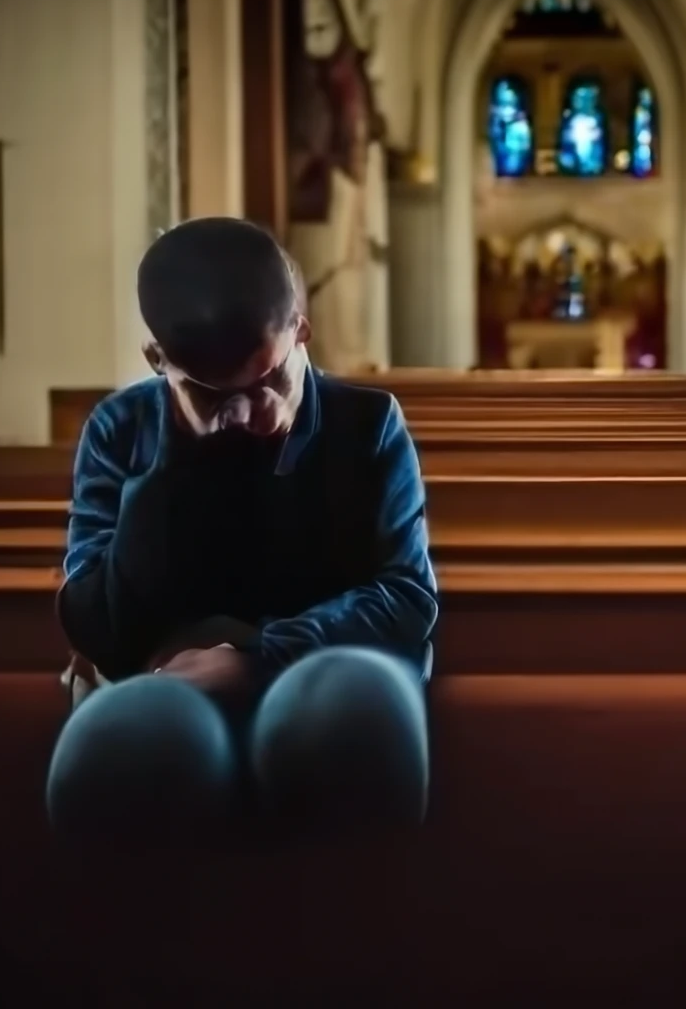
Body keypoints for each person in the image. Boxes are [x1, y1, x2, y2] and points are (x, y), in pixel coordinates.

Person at [46, 217, 437, 842]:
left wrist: (257, 656)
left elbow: (405, 598)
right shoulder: (121, 429)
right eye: (211, 393)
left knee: (346, 723)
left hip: (324, 668)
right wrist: (173, 463)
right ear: (158, 361)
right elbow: (102, 627)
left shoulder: (366, 423)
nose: (249, 415)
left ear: (300, 330)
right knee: (122, 755)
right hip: (166, 682)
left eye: (268, 381)